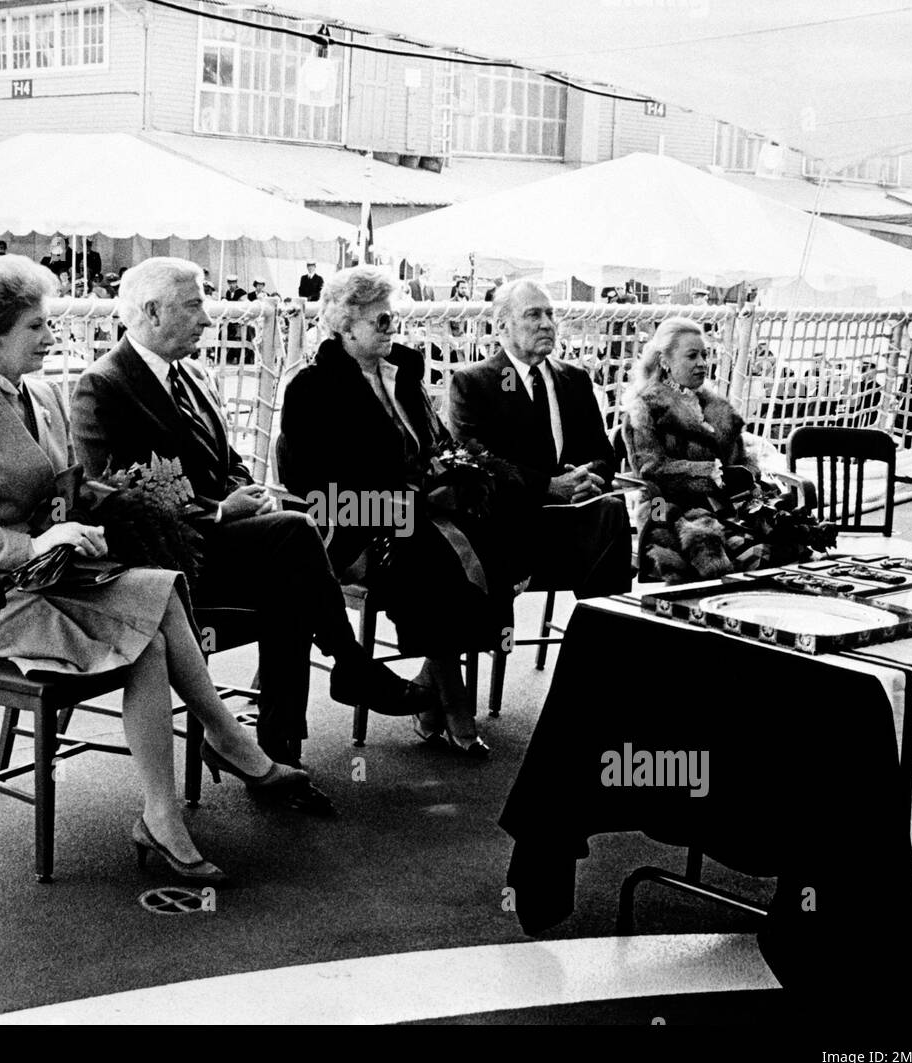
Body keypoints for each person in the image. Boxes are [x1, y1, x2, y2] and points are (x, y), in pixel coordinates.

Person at [0, 255, 329, 881]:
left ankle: (173, 803)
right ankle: (210, 764)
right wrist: (34, 545)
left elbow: (68, 487)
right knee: (151, 639)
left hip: (49, 579)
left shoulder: (39, 397)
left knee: (158, 596)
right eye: (36, 327)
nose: (52, 338)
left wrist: (128, 506)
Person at [71, 258, 431, 769]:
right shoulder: (102, 386)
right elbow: (117, 500)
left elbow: (229, 461)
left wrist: (246, 495)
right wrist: (220, 512)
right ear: (151, 312)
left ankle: (279, 754)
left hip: (224, 544)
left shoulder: (192, 373)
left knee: (290, 574)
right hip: (163, 566)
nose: (209, 319)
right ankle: (347, 668)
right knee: (294, 537)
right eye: (196, 305)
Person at [279, 266, 534, 759]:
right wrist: (416, 505)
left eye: (392, 317)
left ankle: (429, 688)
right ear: (344, 326)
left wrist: (453, 476)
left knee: (495, 538)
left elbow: (435, 445)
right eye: (381, 319)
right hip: (354, 524)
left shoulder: (404, 374)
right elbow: (318, 492)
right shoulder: (311, 389)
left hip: (421, 515)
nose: (392, 326)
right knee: (430, 559)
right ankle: (456, 703)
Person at [447, 279, 630, 597]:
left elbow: (604, 453)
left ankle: (602, 630)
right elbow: (475, 463)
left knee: (611, 510)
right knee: (607, 523)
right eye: (533, 315)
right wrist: (549, 486)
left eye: (550, 314)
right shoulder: (474, 383)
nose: (547, 324)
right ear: (502, 324)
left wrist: (588, 477)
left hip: (572, 518)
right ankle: (601, 629)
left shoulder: (574, 380)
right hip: (512, 524)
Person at [621, 317, 777, 582]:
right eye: (692, 356)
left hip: (722, 503)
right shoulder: (645, 408)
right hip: (661, 502)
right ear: (665, 361)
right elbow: (651, 470)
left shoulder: (715, 406)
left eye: (705, 355)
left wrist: (747, 476)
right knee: (703, 547)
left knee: (780, 538)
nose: (703, 363)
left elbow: (740, 460)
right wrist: (709, 474)